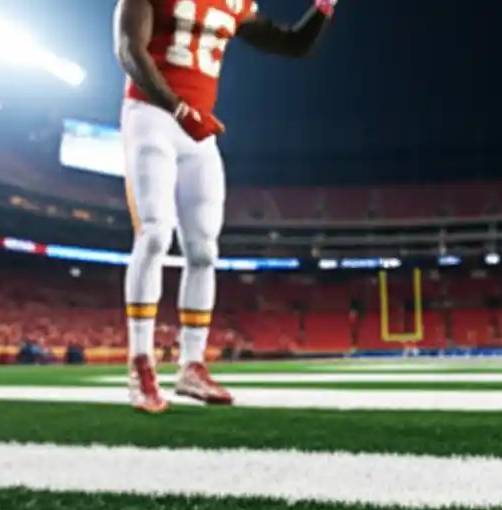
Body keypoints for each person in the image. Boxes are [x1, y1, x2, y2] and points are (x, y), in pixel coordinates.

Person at [114, 0, 337, 413]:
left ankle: (192, 365)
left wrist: (324, 6)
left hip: (199, 126)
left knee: (204, 250)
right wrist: (178, 108)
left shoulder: (235, 3)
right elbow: (129, 50)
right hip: (151, 115)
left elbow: (293, 44)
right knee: (155, 234)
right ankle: (140, 360)